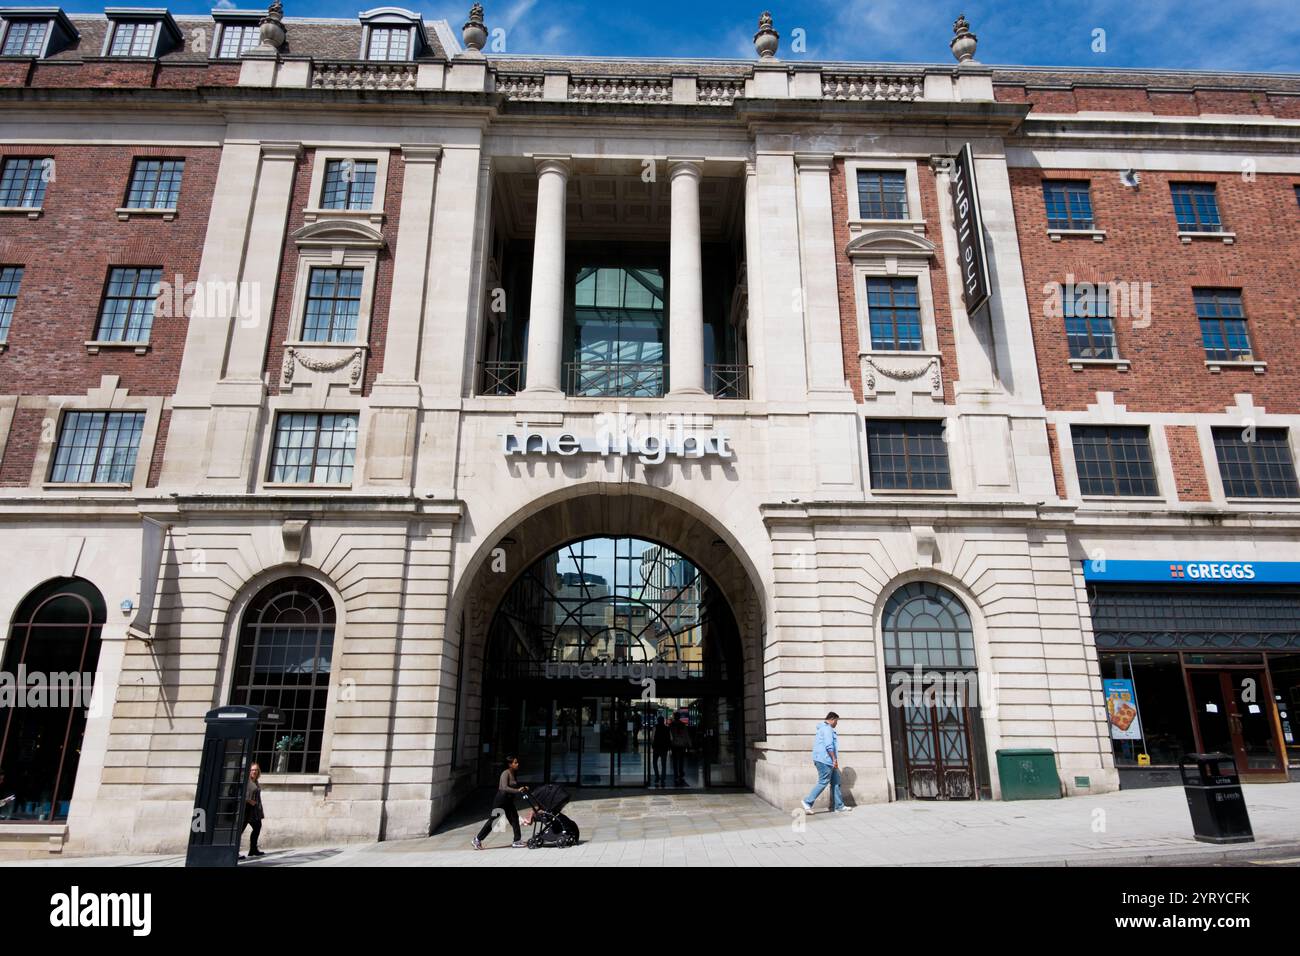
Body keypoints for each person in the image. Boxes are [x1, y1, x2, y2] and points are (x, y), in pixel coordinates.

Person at [473, 755, 528, 849]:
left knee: (514, 819)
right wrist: (518, 790)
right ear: (510, 764)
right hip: (501, 800)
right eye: (515, 762)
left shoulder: (513, 773)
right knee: (493, 820)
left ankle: (517, 841)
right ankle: (477, 839)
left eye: (517, 762)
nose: (517, 764)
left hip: (509, 800)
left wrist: (523, 788)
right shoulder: (505, 773)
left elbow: (513, 786)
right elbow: (504, 787)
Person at [801, 712, 852, 814]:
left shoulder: (822, 728)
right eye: (836, 721)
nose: (836, 723)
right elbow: (829, 746)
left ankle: (839, 806)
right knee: (823, 782)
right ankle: (807, 802)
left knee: (836, 782)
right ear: (832, 719)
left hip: (825, 760)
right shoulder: (827, 729)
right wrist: (834, 759)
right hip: (825, 760)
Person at [241, 762, 266, 858]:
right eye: (252, 770)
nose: (254, 771)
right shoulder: (246, 781)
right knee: (240, 830)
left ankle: (253, 849)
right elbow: (241, 794)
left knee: (257, 827)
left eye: (256, 770)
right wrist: (249, 801)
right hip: (246, 810)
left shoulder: (255, 781)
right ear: (249, 771)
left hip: (255, 811)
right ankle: (235, 851)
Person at [668, 714, 689, 786]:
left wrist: (669, 744)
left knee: (675, 760)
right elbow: (686, 735)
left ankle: (676, 774)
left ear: (674, 717)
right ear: (679, 717)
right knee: (681, 760)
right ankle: (681, 773)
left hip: (674, 745)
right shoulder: (683, 725)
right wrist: (688, 743)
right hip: (682, 745)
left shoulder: (671, 725)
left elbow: (669, 735)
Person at [651, 717, 670, 786]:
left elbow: (652, 737)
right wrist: (668, 747)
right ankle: (663, 778)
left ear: (658, 721)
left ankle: (657, 776)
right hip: (664, 748)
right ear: (663, 721)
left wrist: (652, 745)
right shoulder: (667, 728)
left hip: (656, 747)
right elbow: (669, 738)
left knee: (654, 762)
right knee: (663, 764)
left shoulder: (655, 727)